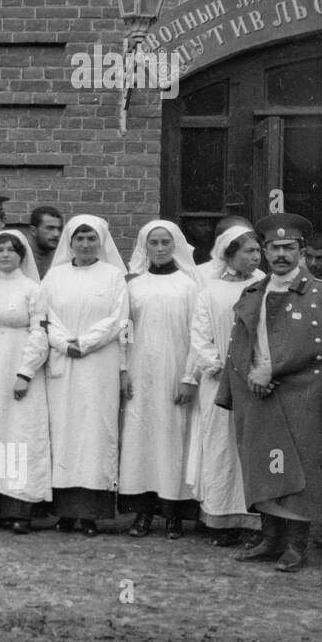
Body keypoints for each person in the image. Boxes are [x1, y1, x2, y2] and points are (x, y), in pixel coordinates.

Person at [217, 212, 322, 573]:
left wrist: (273, 369)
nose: (281, 254)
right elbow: (239, 343)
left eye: (288, 247)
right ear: (264, 251)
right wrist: (249, 373)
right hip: (256, 390)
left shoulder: (318, 292)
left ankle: (296, 545)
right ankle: (270, 539)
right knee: (263, 464)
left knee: (298, 467)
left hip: (299, 392)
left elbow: (316, 344)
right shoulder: (254, 291)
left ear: (302, 251)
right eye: (274, 248)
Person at [41, 214, 129, 536]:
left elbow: (118, 318)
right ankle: (65, 512)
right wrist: (65, 343)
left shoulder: (113, 276)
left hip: (98, 363)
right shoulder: (54, 277)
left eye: (92, 238)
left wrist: (86, 342)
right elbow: (44, 315)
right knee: (63, 433)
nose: (86, 244)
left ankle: (91, 513)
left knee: (94, 433)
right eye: (79, 238)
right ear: (70, 242)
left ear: (102, 241)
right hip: (64, 362)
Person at [119, 220, 203, 540]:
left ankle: (174, 515)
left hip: (174, 371)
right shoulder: (134, 285)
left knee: (173, 439)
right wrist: (124, 368)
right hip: (141, 374)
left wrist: (188, 377)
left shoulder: (188, 285)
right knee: (141, 441)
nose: (159, 248)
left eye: (165, 242)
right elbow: (125, 330)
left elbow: (198, 334)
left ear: (176, 245)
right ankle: (142, 513)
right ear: (144, 247)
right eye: (153, 243)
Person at [186, 225, 263, 546]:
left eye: (258, 251)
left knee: (250, 448)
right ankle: (220, 519)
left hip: (256, 381)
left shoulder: (264, 286)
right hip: (219, 382)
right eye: (249, 251)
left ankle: (254, 522)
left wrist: (258, 368)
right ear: (229, 255)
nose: (256, 256)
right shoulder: (211, 291)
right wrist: (214, 365)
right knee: (220, 445)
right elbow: (199, 335)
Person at [0, 230, 50, 533]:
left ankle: (22, 509)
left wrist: (25, 373)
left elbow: (40, 332)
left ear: (22, 255)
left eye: (11, 250)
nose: (5, 255)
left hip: (21, 365)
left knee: (21, 433)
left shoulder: (33, 289)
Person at [27, 206, 64, 279]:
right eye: (50, 228)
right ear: (33, 231)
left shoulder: (62, 258)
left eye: (59, 229)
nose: (57, 234)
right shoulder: (18, 256)